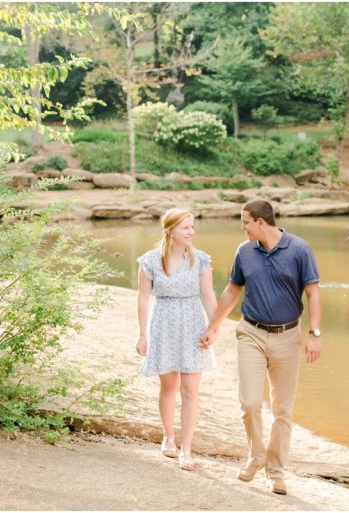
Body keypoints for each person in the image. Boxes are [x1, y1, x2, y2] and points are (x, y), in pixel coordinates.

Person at [199, 199, 322, 495]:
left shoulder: (299, 249)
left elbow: (313, 293)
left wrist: (315, 333)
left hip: (288, 337)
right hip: (251, 334)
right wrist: (212, 327)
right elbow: (232, 292)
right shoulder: (244, 252)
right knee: (251, 401)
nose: (242, 227)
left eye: (245, 222)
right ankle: (255, 455)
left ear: (261, 222)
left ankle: (276, 472)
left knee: (283, 410)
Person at [135, 208, 217, 471]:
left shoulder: (201, 260)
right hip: (163, 323)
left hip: (193, 324)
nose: (191, 232)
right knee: (169, 387)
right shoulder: (149, 261)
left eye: (192, 227)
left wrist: (213, 327)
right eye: (185, 228)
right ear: (170, 230)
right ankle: (169, 436)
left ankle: (187, 449)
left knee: (191, 390)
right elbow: (142, 298)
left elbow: (208, 296)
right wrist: (142, 333)